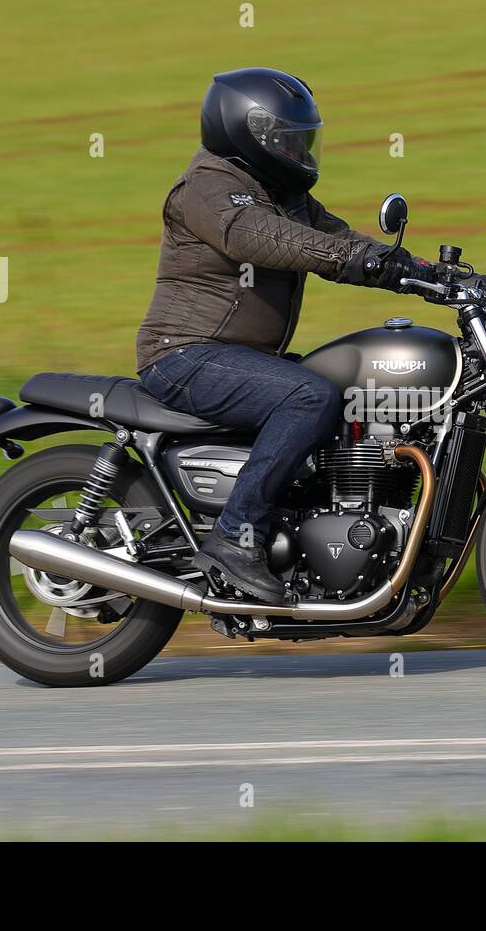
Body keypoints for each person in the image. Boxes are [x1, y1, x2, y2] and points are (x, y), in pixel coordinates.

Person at [136, 67, 428, 603]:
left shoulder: (282, 193)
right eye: (288, 140)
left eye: (304, 139)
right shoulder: (208, 187)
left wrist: (433, 274)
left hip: (239, 357)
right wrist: (354, 257)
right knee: (308, 394)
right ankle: (235, 538)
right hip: (184, 356)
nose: (300, 151)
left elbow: (341, 239)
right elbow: (261, 239)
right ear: (250, 134)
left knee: (351, 386)